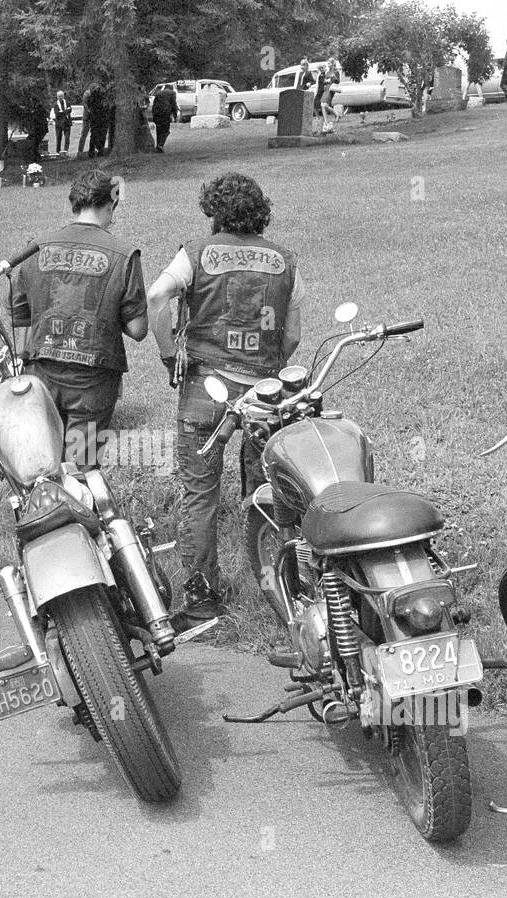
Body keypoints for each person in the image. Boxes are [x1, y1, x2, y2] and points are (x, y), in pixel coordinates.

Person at [146, 173, 304, 632]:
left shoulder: (197, 252)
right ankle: (279, 591)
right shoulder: (286, 261)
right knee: (266, 492)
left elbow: (158, 295)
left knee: (199, 493)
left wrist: (168, 352)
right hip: (264, 395)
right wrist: (267, 367)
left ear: (213, 212)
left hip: (205, 389)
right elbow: (292, 334)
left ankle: (201, 601)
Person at [11, 169, 148, 467]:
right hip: (93, 382)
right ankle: (77, 511)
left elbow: (18, 314)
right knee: (81, 468)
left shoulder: (35, 248)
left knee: (40, 463)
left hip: (39, 372)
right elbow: (138, 329)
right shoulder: (124, 255)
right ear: (111, 204)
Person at [152, 83, 178, 152]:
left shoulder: (158, 93)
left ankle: (158, 146)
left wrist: (153, 115)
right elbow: (173, 104)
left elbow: (154, 105)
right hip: (165, 114)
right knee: (166, 130)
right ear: (171, 88)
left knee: (159, 131)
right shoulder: (172, 93)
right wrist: (175, 116)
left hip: (157, 113)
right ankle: (160, 145)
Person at [52, 90, 72, 155]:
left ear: (63, 96)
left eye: (61, 96)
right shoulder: (55, 104)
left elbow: (70, 110)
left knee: (67, 138)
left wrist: (62, 112)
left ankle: (66, 150)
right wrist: (65, 111)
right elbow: (57, 113)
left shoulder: (67, 102)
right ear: (57, 97)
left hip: (67, 122)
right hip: (59, 123)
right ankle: (58, 151)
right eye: (59, 96)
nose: (60, 97)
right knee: (58, 138)